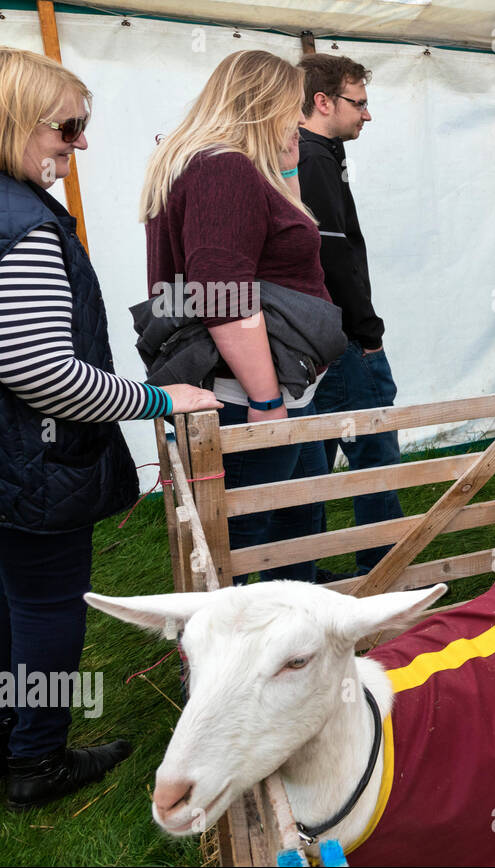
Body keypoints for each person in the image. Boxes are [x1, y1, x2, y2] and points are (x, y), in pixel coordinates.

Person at [0, 48, 219, 807]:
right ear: (21, 121)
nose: (79, 143)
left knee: (12, 599)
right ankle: (37, 759)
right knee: (48, 607)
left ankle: (13, 738)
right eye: (69, 126)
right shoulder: (23, 224)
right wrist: (163, 401)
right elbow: (42, 374)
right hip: (33, 460)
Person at [141, 50, 338, 583]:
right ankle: (233, 663)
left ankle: (291, 654)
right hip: (244, 393)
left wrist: (290, 166)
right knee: (241, 547)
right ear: (262, 103)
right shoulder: (221, 166)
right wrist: (266, 399)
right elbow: (221, 292)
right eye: (290, 107)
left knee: (293, 531)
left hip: (254, 385)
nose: (297, 119)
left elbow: (290, 239)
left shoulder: (215, 163)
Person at [297, 53, 403, 577]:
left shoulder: (314, 152)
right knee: (374, 456)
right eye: (358, 103)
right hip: (340, 341)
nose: (367, 115)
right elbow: (332, 257)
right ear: (323, 101)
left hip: (316, 340)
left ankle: (303, 580)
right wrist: (367, 335)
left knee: (311, 460)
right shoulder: (313, 156)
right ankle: (383, 577)